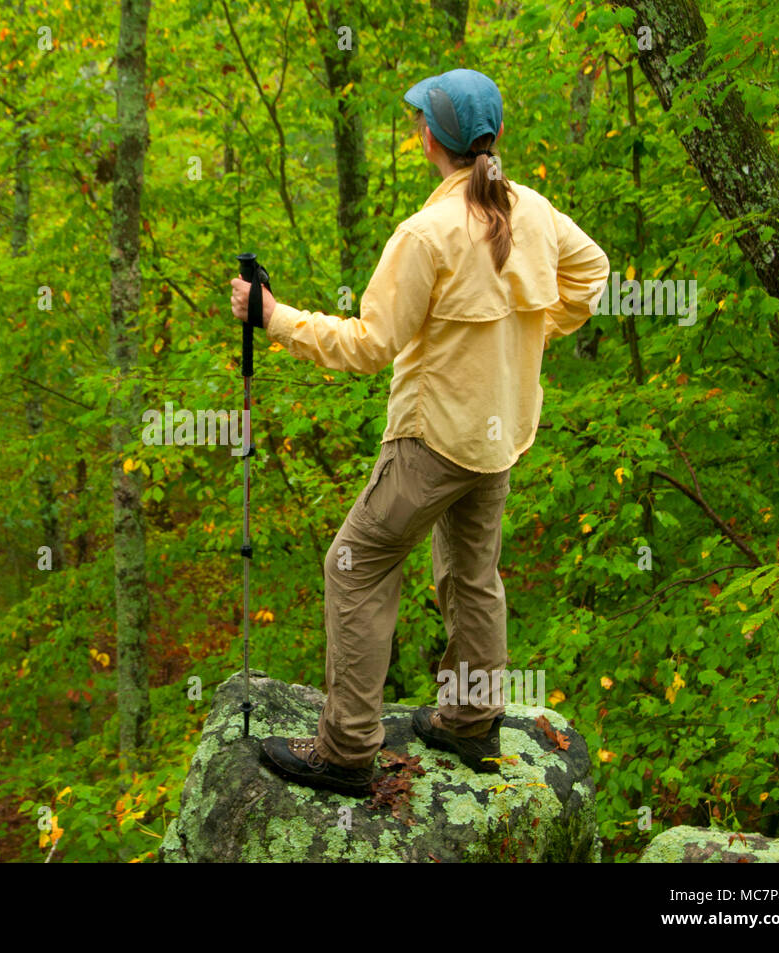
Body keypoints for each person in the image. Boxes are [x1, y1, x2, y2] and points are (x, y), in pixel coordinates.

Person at [229, 68, 609, 796]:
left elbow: (369, 346)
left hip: (430, 442)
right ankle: (470, 719)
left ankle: (345, 749)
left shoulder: (427, 233)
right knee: (473, 576)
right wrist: (531, 337)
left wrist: (271, 317)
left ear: (430, 138)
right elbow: (592, 276)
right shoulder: (533, 212)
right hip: (499, 439)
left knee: (356, 563)